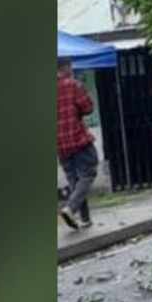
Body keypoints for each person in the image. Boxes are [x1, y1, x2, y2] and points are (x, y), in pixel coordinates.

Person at [57, 57, 99, 230]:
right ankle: (70, 208)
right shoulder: (72, 85)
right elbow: (88, 107)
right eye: (70, 67)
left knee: (75, 180)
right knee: (88, 174)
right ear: (65, 67)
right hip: (78, 139)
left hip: (60, 145)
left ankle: (84, 219)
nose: (72, 70)